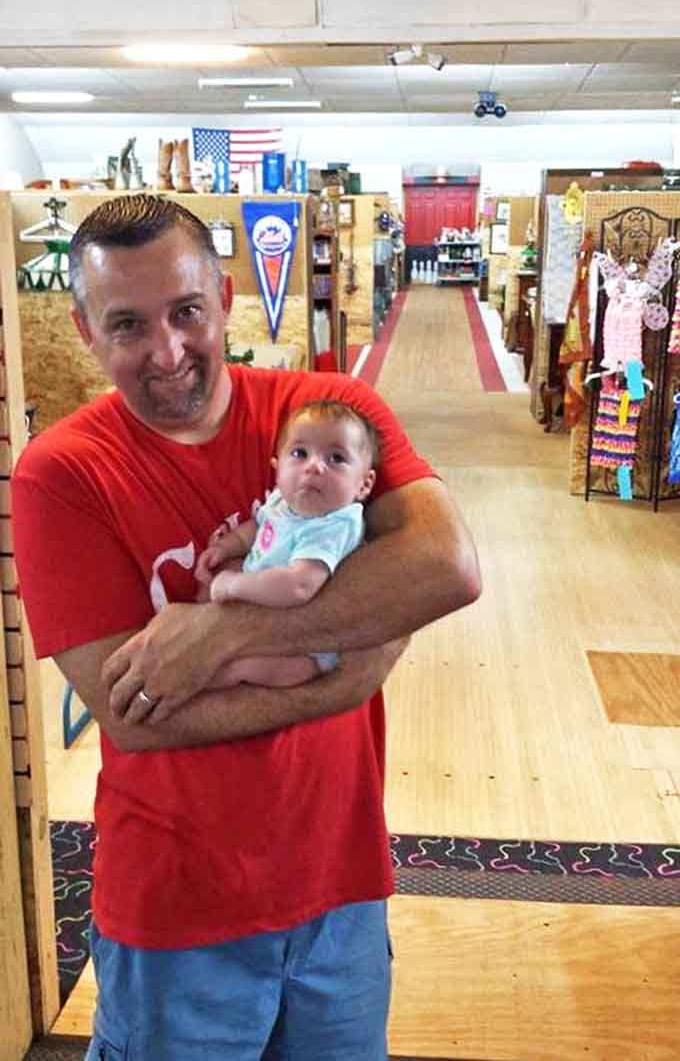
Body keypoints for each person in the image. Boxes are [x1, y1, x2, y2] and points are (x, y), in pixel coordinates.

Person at [11, 193, 481, 1060]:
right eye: (126, 325)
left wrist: (219, 636)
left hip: (339, 891)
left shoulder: (323, 418)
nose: (168, 351)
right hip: (174, 913)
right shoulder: (60, 474)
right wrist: (351, 667)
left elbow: (444, 569)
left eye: (187, 310)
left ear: (225, 295)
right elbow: (129, 715)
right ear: (82, 331)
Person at [195, 397, 379, 689]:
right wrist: (226, 547)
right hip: (259, 606)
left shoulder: (334, 524)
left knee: (243, 667)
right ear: (277, 468)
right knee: (204, 596)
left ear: (363, 484)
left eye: (336, 458)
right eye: (300, 453)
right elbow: (258, 526)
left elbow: (299, 585)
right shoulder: (283, 500)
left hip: (301, 646)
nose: (314, 466)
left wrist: (232, 585)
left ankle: (207, 682)